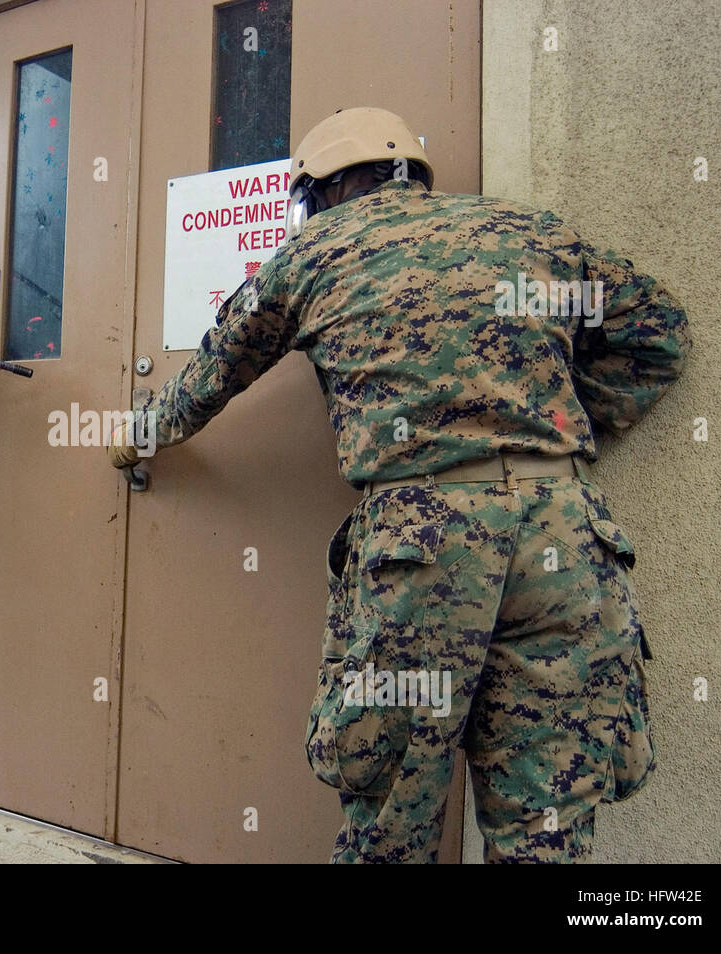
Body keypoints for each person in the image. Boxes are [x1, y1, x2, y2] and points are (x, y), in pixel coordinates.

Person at [108, 107, 690, 863]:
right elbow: (659, 335)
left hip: (424, 546)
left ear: (327, 187)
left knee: (391, 812)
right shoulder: (532, 232)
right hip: (566, 540)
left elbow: (211, 379)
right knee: (547, 822)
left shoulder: (313, 252)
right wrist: (557, 429)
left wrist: (133, 436)